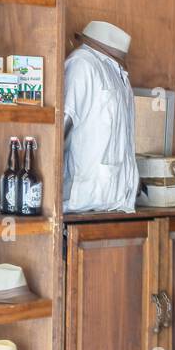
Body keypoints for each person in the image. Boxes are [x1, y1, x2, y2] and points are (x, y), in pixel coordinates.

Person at [63, 21, 138, 213]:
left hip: (115, 203)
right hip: (83, 201)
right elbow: (59, 127)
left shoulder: (119, 74)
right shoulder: (82, 64)